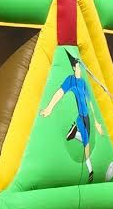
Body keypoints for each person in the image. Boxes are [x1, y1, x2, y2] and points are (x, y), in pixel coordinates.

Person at [41, 51, 99, 182]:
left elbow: (89, 102)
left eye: (80, 66)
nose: (79, 68)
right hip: (81, 117)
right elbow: (59, 93)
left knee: (86, 142)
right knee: (87, 145)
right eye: (77, 66)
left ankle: (74, 134)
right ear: (73, 68)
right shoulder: (71, 80)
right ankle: (90, 171)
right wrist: (49, 108)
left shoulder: (83, 83)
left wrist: (96, 122)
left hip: (87, 117)